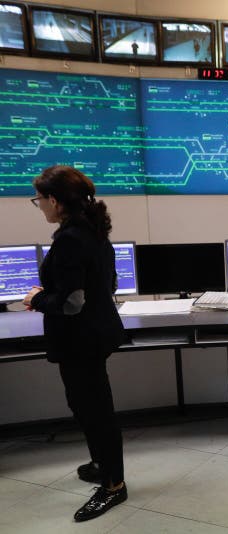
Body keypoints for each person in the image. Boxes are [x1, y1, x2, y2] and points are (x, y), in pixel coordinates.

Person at [23, 166, 127, 522]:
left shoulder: (70, 238)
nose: (39, 206)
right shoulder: (95, 231)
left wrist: (36, 298)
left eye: (38, 200)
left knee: (95, 411)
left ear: (54, 200)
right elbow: (109, 285)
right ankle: (103, 465)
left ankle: (113, 485)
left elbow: (71, 303)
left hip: (81, 339)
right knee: (87, 406)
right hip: (96, 333)